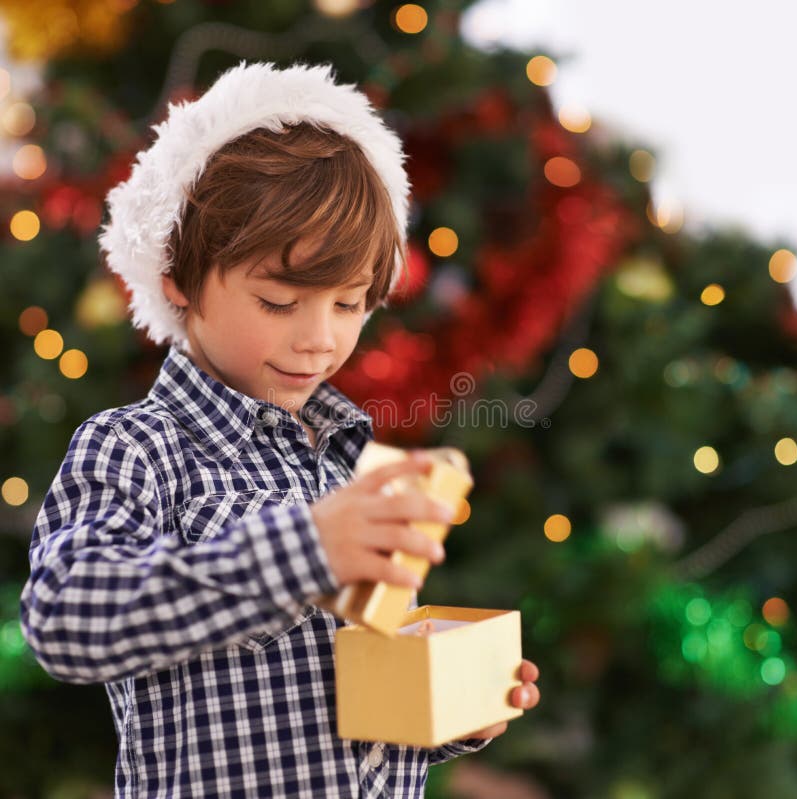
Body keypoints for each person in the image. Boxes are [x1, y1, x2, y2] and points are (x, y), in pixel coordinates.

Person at [19, 60, 540, 798]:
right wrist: (302, 552)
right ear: (178, 278)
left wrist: (455, 709)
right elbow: (65, 618)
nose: (319, 340)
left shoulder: (344, 462)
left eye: (349, 304)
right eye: (278, 302)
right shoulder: (138, 447)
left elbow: (348, 717)